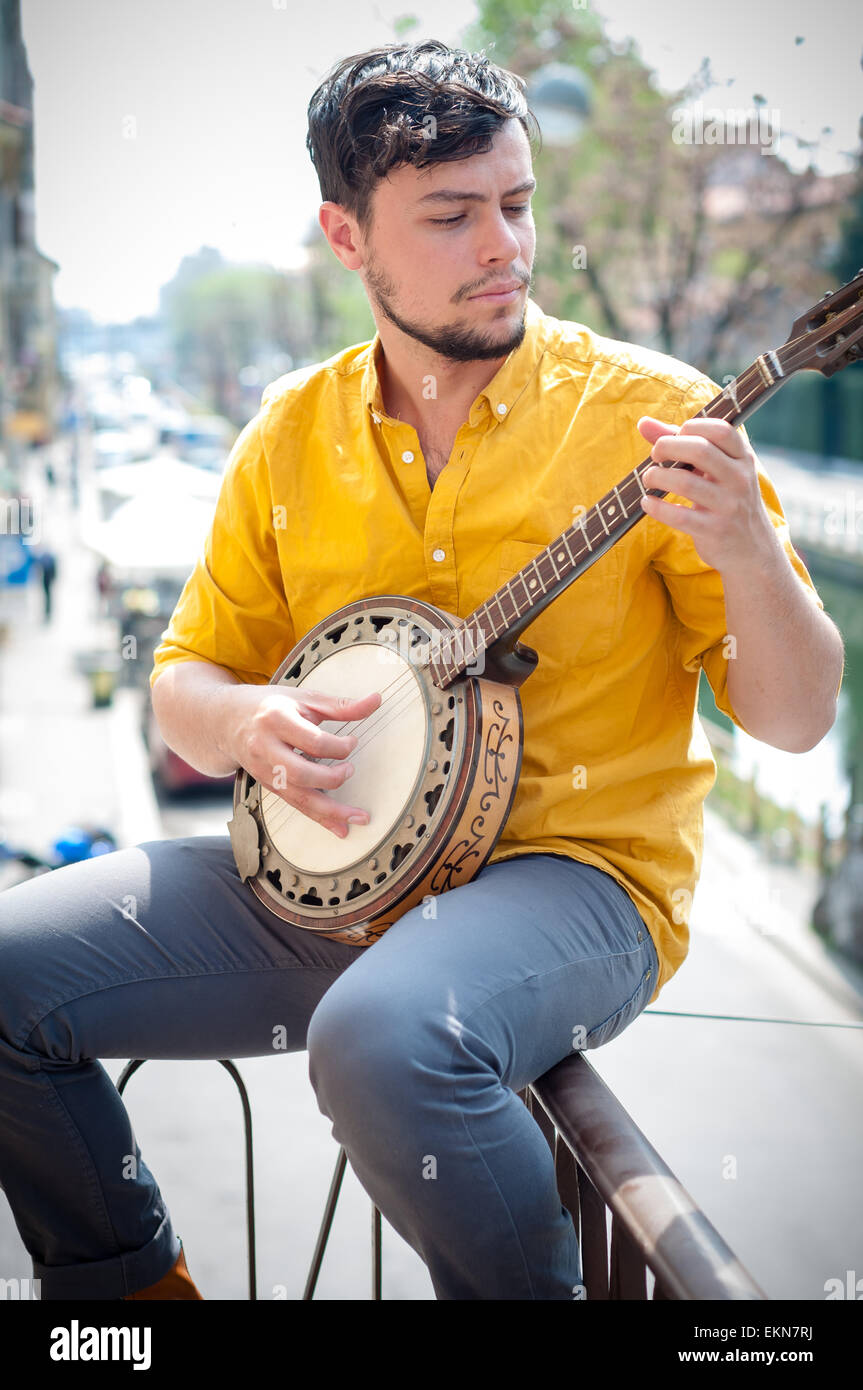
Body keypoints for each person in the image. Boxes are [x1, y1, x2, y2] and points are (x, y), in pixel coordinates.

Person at [0, 41, 845, 1302]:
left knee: (388, 1035)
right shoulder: (288, 432)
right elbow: (185, 675)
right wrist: (249, 721)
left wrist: (746, 550)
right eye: (449, 216)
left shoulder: (655, 415)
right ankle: (131, 1300)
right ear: (347, 239)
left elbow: (793, 715)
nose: (501, 244)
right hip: (332, 878)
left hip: (573, 884)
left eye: (515, 204)